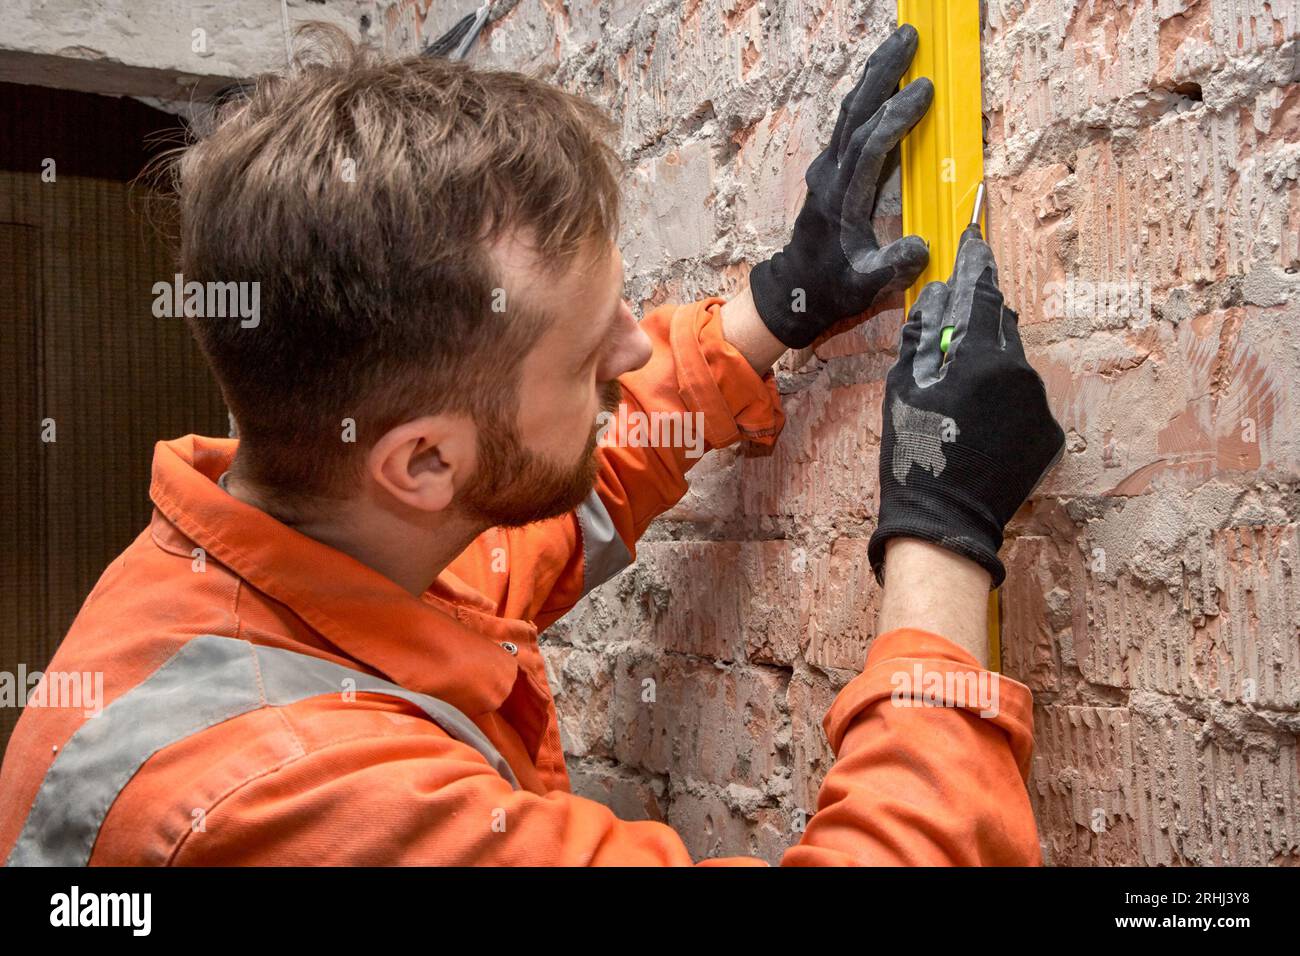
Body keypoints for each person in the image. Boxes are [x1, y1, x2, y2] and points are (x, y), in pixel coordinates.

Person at [0, 23, 1064, 866]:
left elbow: (535, 519)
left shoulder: (293, 548)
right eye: (586, 349)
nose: (637, 341)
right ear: (423, 463)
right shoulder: (290, 801)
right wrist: (941, 539)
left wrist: (777, 304)